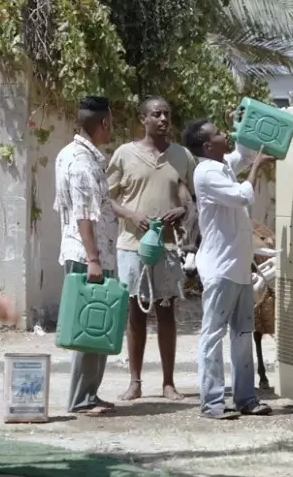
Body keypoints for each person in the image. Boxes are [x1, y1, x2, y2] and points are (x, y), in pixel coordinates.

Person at [182, 115, 274, 419]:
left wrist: (245, 124)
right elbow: (241, 196)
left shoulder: (220, 166)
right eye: (219, 132)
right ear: (208, 145)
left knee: (242, 333)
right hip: (221, 269)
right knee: (212, 335)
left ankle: (245, 398)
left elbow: (242, 154)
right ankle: (212, 402)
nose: (224, 135)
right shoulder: (206, 173)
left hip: (237, 268)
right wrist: (258, 167)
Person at [106, 96, 196, 401]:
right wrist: (132, 215)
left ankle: (168, 383)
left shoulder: (182, 156)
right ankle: (135, 381)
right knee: (135, 314)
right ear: (142, 119)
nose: (163, 119)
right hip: (133, 247)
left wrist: (181, 212)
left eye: (167, 114)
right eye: (156, 114)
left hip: (168, 247)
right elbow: (107, 197)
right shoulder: (124, 155)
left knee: (167, 312)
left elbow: (191, 198)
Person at [53, 95, 118, 417]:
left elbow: (100, 204)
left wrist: (129, 212)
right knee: (89, 329)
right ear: (104, 123)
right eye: (111, 121)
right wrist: (94, 259)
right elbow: (83, 214)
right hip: (88, 255)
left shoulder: (75, 154)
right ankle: (81, 399)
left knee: (98, 326)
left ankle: (90, 393)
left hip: (94, 252)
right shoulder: (80, 162)